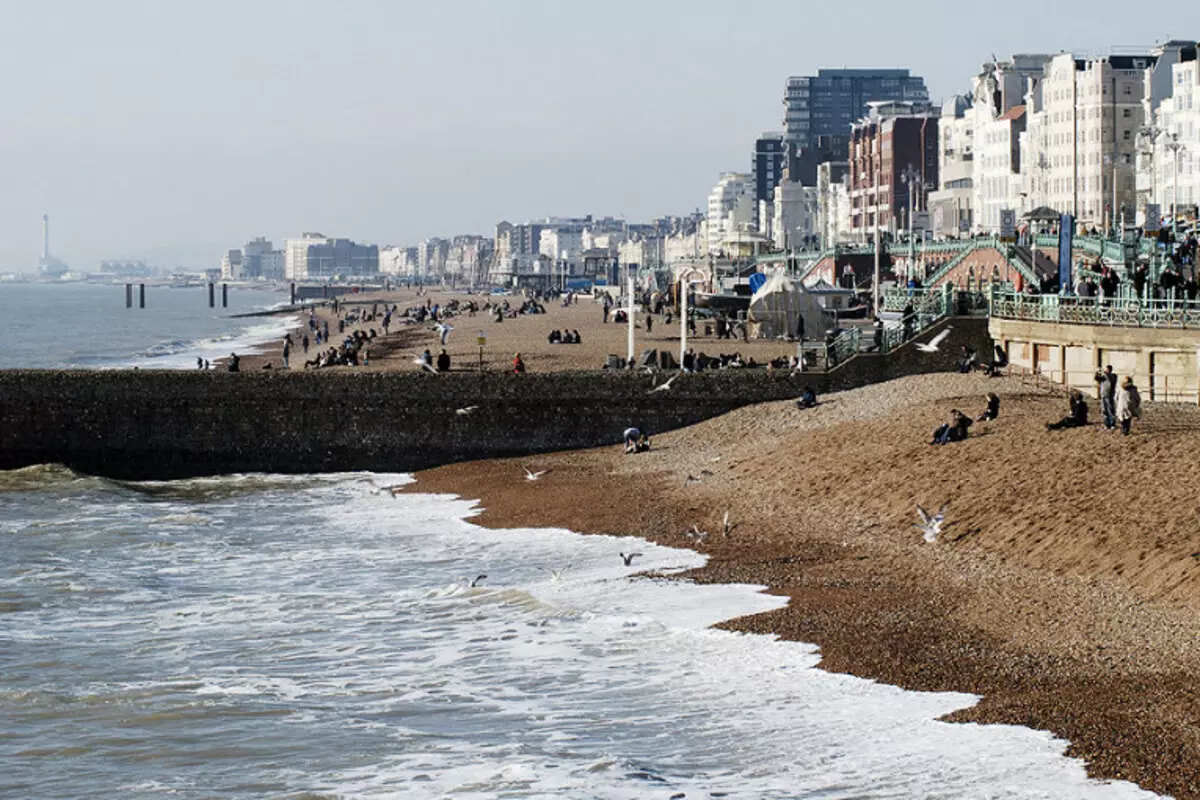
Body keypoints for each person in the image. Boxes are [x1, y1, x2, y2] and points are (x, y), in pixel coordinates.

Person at [1095, 365, 1117, 431]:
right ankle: (1106, 424)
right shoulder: (1104, 376)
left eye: (1106, 369)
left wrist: (1104, 372)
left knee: (1110, 410)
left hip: (1109, 396)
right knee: (1104, 410)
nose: (1105, 370)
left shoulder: (1113, 376)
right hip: (1103, 395)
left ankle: (1112, 424)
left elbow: (1109, 379)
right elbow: (1096, 378)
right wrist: (1097, 372)